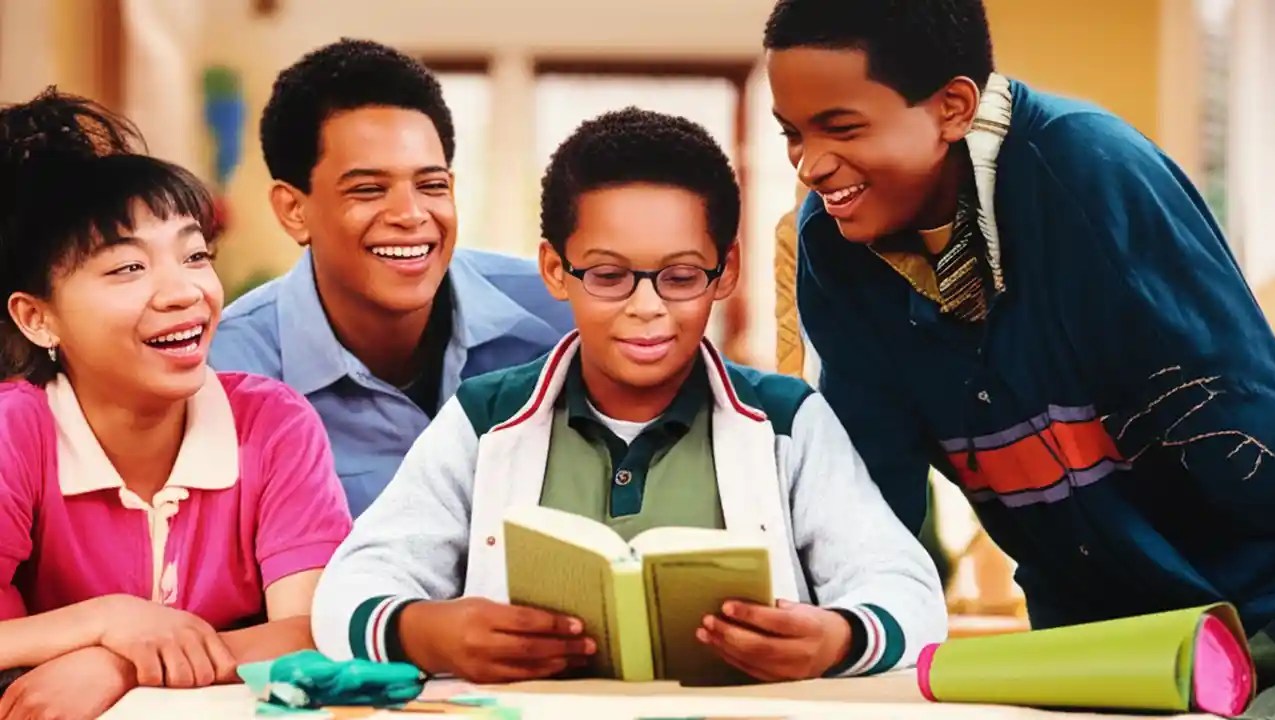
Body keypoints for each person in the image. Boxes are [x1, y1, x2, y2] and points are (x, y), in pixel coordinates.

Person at [309, 107, 946, 684]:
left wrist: (836, 639)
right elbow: (349, 588)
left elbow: (910, 595)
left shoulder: (785, 420)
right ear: (556, 271)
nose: (647, 309)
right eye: (609, 276)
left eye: (680, 277)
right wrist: (427, 634)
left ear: (724, 273)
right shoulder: (486, 418)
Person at [765, 0, 1275, 646]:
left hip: (1258, 617)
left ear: (953, 108)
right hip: (1089, 647)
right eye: (793, 133)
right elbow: (869, 507)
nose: (809, 165)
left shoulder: (1092, 173)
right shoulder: (833, 252)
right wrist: (837, 623)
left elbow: (1244, 432)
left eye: (841, 128)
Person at [0, 89, 351, 720]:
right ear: (37, 318)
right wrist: (110, 619)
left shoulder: (273, 424)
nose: (184, 291)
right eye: (127, 269)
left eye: (195, 256)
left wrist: (122, 662)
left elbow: (315, 631)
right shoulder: (14, 431)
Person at [210, 39, 574, 517]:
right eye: (368, 189)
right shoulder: (227, 374)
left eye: (431, 185)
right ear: (294, 210)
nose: (410, 214)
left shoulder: (562, 313)